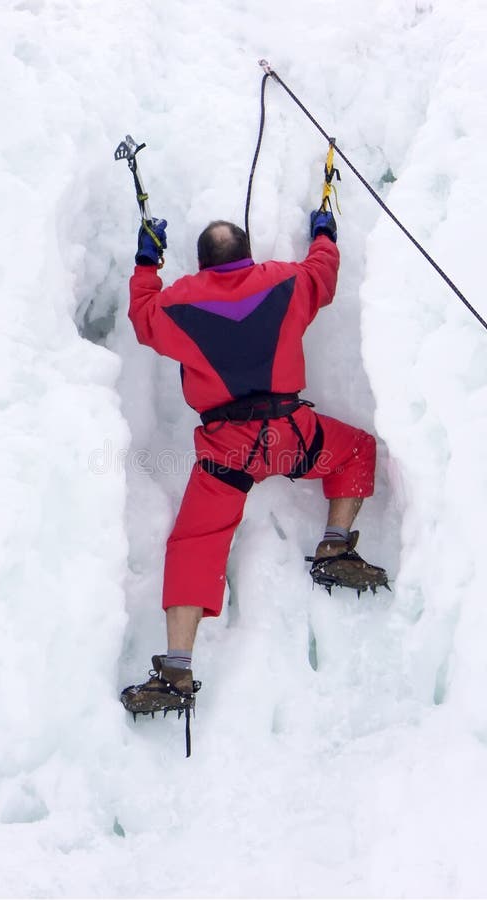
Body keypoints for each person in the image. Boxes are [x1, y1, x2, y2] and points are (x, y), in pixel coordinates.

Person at [120, 211, 388, 717]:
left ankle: (176, 670)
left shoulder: (180, 302)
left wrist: (147, 259)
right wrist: (326, 229)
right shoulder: (286, 281)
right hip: (291, 435)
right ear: (247, 254)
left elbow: (142, 315)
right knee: (356, 451)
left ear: (201, 264)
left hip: (226, 453)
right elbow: (323, 272)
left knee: (193, 544)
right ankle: (334, 547)